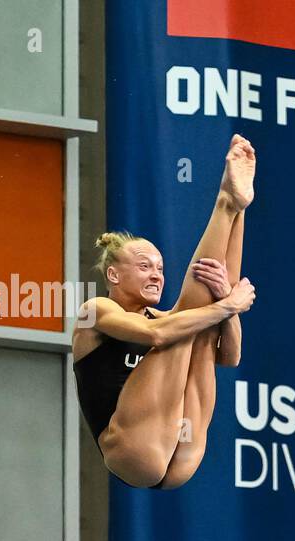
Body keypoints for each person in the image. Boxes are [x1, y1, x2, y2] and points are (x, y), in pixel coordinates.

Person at [72, 134, 257, 489]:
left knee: (201, 326)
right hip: (131, 449)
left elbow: (230, 357)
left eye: (159, 268)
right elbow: (157, 335)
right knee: (186, 324)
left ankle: (237, 208)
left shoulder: (168, 318)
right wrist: (228, 304)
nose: (156, 275)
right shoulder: (95, 311)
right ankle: (225, 204)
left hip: (182, 452)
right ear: (113, 274)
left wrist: (228, 310)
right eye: (144, 266)